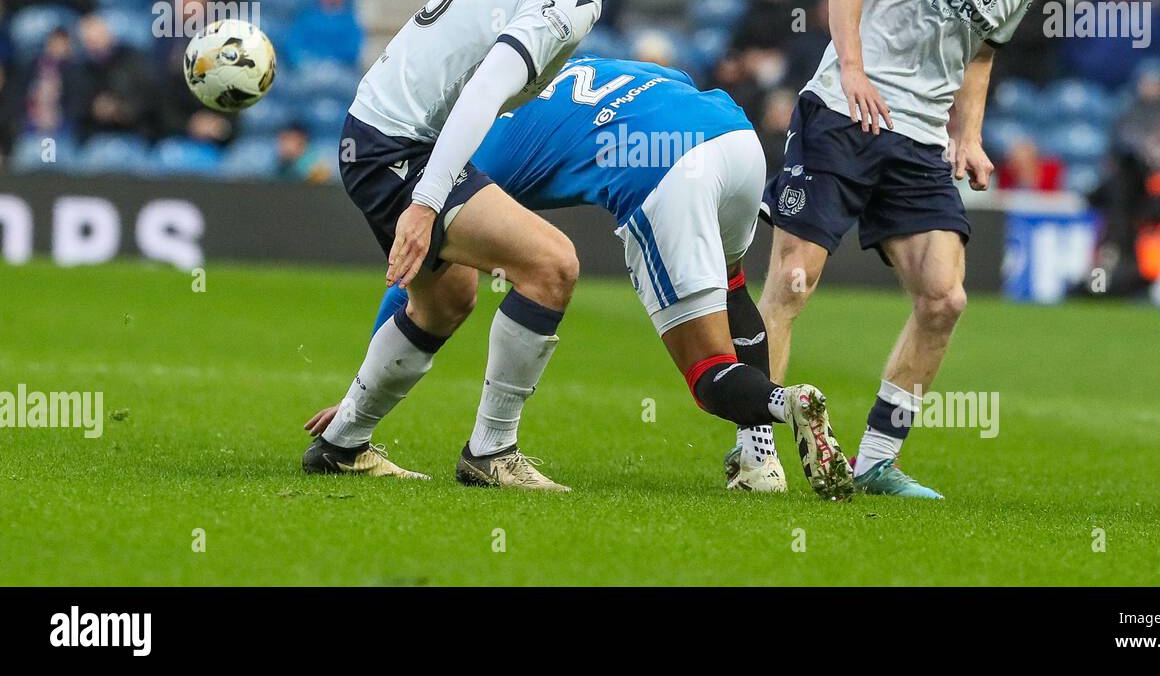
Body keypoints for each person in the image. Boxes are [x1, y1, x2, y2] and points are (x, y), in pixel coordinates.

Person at [306, 57, 856, 498]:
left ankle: (789, 403)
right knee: (732, 286)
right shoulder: (578, 67)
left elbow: (420, 273)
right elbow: (673, 84)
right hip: (734, 137)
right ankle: (759, 461)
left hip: (667, 176)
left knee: (707, 373)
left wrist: (361, 385)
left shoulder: (479, 145)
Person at [301, 0, 683, 489]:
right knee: (551, 265)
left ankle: (343, 443)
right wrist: (424, 204)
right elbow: (485, 88)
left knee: (448, 298)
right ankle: (491, 453)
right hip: (397, 145)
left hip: (381, 127)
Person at [757, 0, 1098, 498]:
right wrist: (851, 69)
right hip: (844, 112)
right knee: (793, 283)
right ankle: (755, 448)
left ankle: (876, 462)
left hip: (916, 138)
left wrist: (966, 135)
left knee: (944, 298)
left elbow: (981, 55)